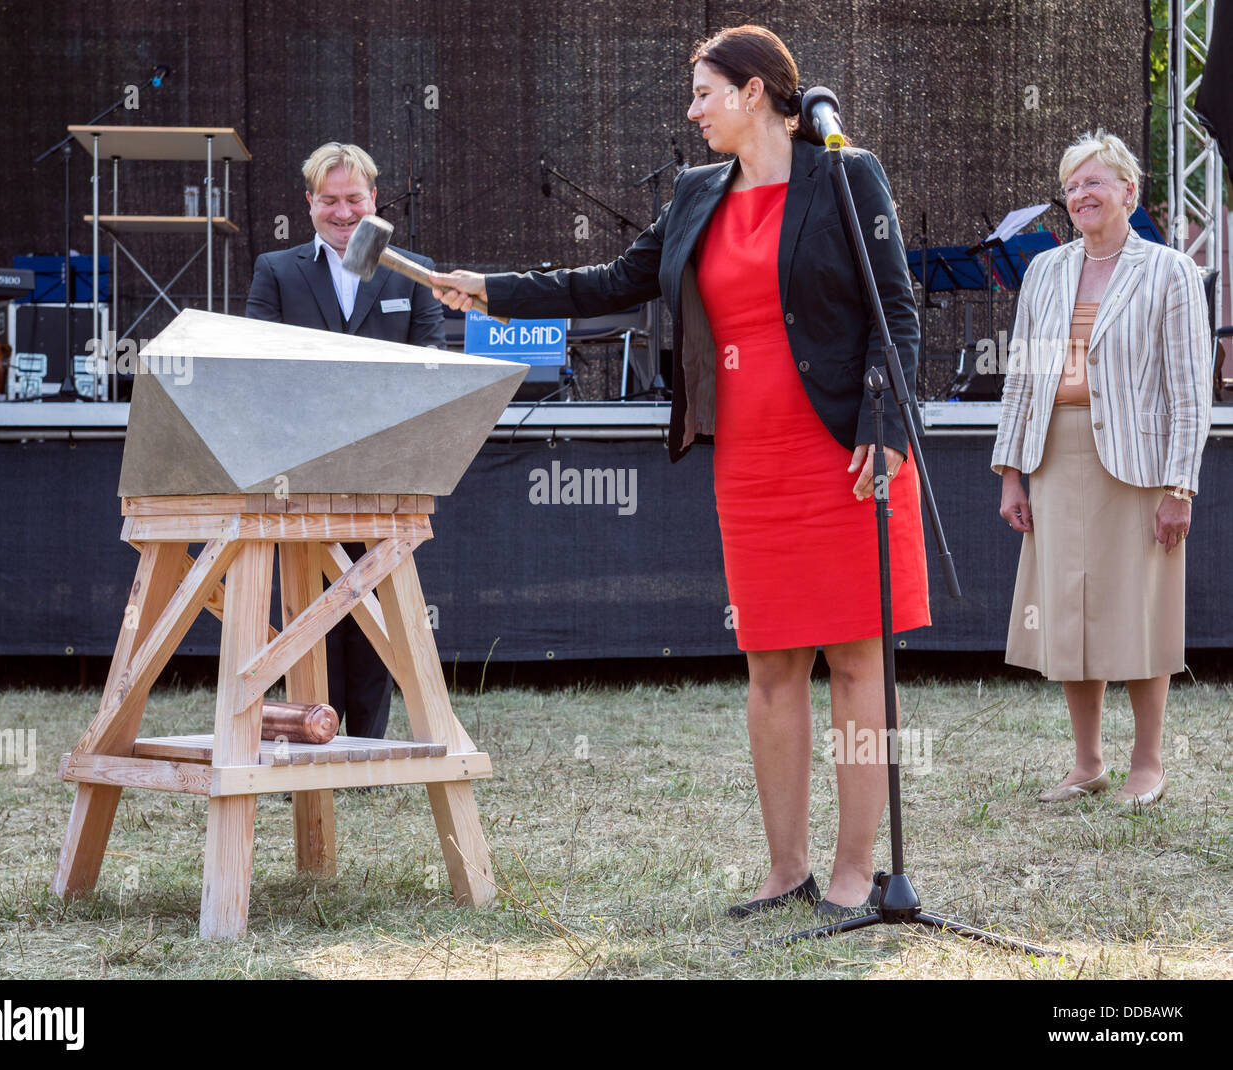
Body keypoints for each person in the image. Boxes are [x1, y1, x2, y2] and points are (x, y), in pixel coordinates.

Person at [433, 24, 930, 918]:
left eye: (704, 92)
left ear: (753, 92)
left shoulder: (847, 174)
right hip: (751, 459)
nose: (692, 110)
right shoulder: (697, 194)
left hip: (848, 451)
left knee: (861, 661)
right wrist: (495, 289)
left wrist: (885, 425)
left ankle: (859, 871)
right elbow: (612, 280)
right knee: (771, 664)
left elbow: (896, 306)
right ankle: (787, 872)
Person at [992, 129, 1212, 809]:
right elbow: (1023, 377)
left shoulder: (1169, 270)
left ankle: (1148, 764)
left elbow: (1188, 388)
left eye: (1093, 182)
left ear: (1128, 191)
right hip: (1054, 454)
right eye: (1071, 186)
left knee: (1139, 611)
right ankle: (1087, 763)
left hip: (1141, 466)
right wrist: (1010, 471)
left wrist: (1181, 485)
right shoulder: (1046, 270)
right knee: (1069, 613)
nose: (1080, 195)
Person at [246, 141, 447, 738]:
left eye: (354, 199)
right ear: (309, 204)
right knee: (311, 606)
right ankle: (312, 730)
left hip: (385, 469)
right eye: (329, 200)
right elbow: (259, 358)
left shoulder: (412, 272)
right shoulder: (276, 270)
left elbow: (431, 363)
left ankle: (365, 739)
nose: (343, 213)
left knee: (374, 602)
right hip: (302, 469)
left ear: (374, 200)